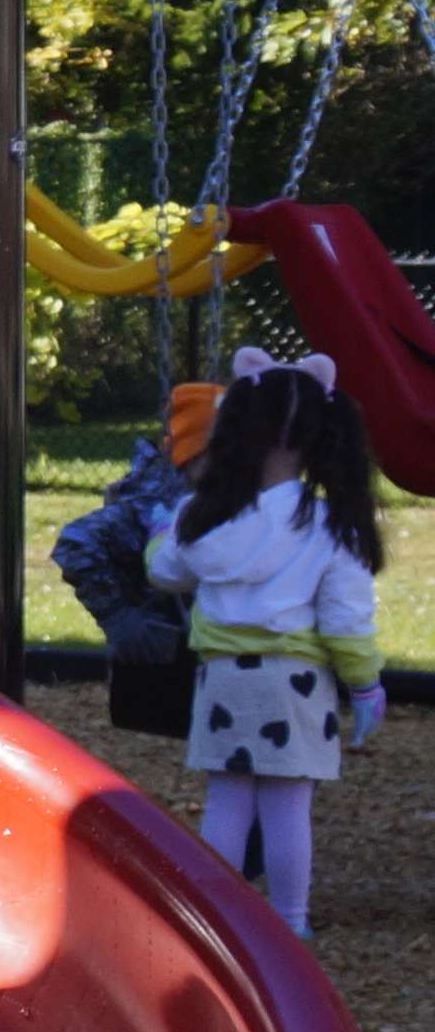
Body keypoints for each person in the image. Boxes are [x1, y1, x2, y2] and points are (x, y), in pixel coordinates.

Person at [148, 355, 387, 933]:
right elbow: (345, 620)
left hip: (222, 679)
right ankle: (290, 920)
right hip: (294, 684)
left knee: (227, 799)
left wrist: (158, 533)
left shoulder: (200, 517)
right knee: (287, 804)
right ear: (317, 441)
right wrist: (364, 684)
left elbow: (165, 571)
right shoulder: (330, 526)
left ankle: (219, 919)